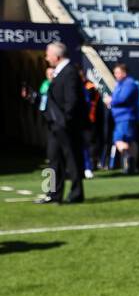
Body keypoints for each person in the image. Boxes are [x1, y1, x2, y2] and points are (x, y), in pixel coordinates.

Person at [34, 43, 85, 205]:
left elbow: (72, 100)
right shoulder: (58, 73)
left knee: (71, 159)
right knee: (53, 158)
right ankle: (53, 193)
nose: (46, 58)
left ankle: (76, 193)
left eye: (48, 54)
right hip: (55, 124)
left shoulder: (70, 72)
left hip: (65, 125)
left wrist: (66, 120)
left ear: (57, 56)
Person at [109, 63, 139, 174]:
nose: (115, 75)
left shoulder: (129, 84)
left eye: (117, 72)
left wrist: (110, 100)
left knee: (120, 140)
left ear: (124, 72)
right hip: (120, 117)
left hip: (125, 117)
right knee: (129, 141)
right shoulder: (120, 84)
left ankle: (129, 160)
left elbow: (122, 98)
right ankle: (130, 164)